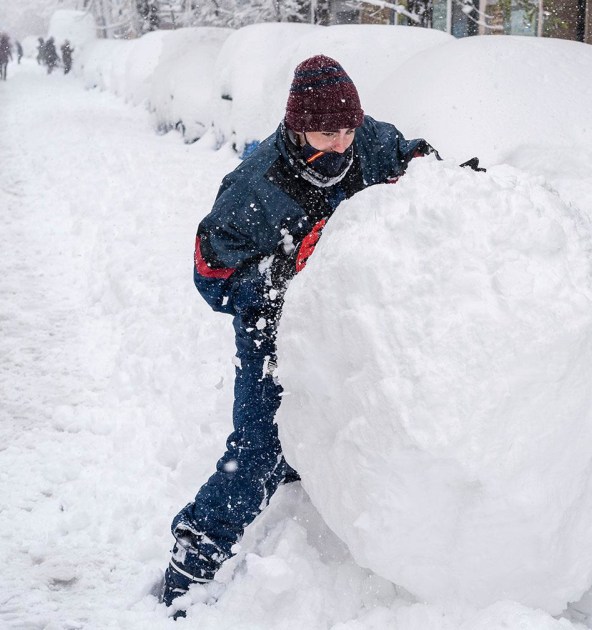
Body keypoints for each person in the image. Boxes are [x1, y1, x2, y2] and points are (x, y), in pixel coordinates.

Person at [158, 55, 434, 618]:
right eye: (326, 132)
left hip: (353, 323)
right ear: (295, 126)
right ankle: (193, 557)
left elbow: (417, 168)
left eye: (348, 129)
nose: (340, 144)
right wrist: (278, 280)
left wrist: (447, 181)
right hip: (272, 333)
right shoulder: (255, 185)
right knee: (258, 450)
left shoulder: (371, 144)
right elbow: (211, 274)